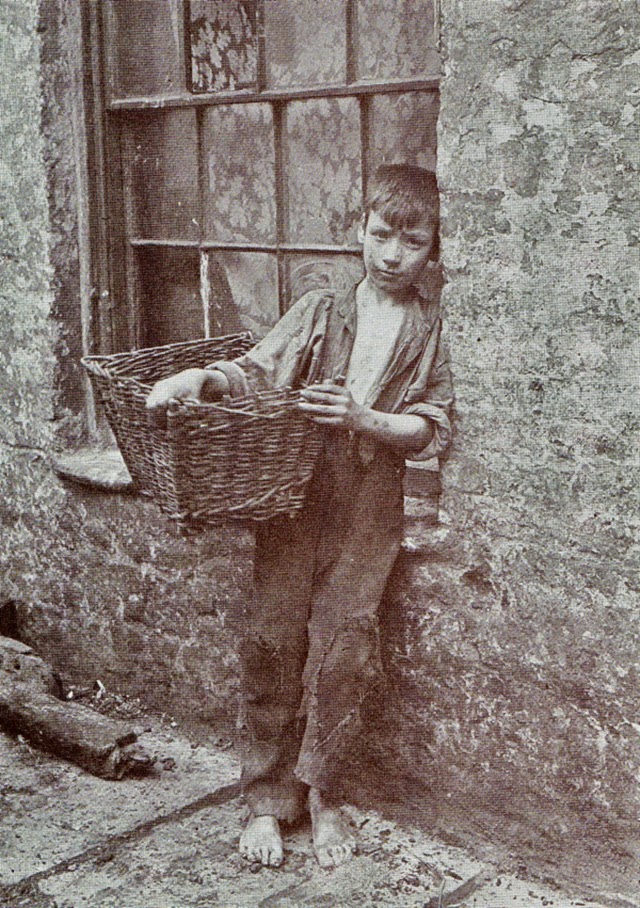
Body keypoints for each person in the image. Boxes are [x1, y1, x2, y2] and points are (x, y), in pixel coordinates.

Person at [146, 164, 454, 869]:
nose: (392, 254)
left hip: (372, 498)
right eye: (380, 235)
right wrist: (201, 378)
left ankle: (323, 797)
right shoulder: (321, 309)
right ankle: (265, 800)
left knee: (344, 648)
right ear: (359, 232)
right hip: (296, 490)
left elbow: (433, 427)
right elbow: (257, 369)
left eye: (412, 241)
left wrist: (366, 417)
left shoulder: (432, 328)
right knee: (272, 637)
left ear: (431, 249)